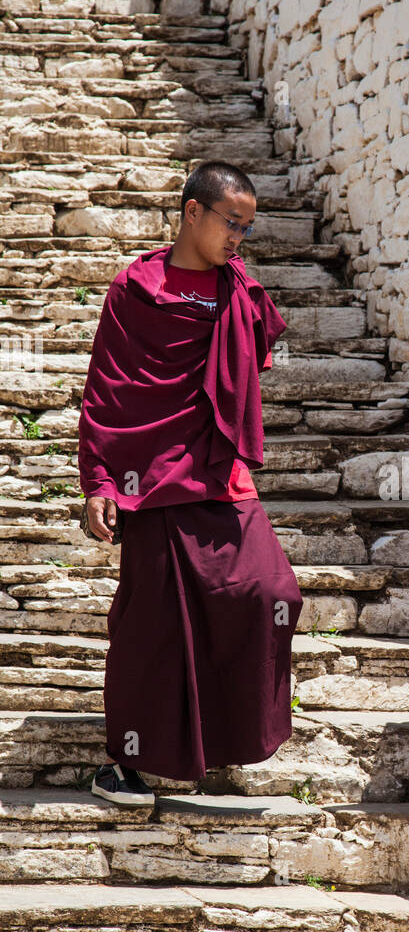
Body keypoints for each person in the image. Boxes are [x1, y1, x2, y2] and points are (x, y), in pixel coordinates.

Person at [78, 161, 303, 805]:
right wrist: (100, 479)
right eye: (231, 222)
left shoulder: (241, 293)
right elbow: (108, 388)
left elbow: (240, 374)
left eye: (248, 227)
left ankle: (222, 738)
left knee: (268, 594)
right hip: (146, 477)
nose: (239, 237)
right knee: (153, 622)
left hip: (219, 476)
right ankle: (125, 763)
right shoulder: (137, 289)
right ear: (192, 213)